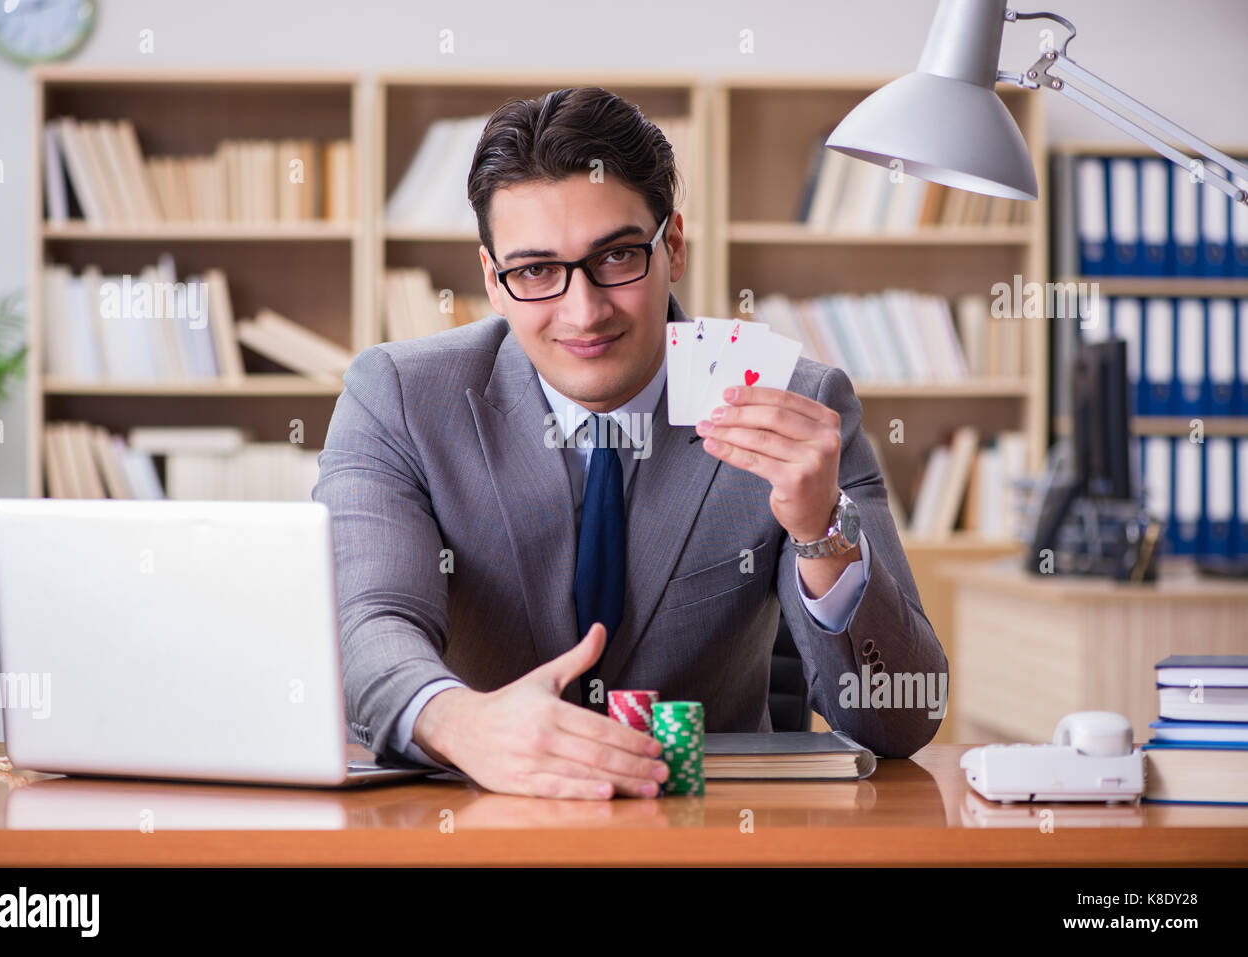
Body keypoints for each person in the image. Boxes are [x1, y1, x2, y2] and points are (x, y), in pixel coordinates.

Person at [312, 86, 947, 800]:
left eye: (616, 257)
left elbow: (902, 718)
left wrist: (822, 531)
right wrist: (463, 721)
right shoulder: (399, 399)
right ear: (493, 281)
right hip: (472, 822)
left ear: (672, 244)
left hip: (705, 830)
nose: (583, 312)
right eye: (535, 271)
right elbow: (366, 626)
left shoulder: (796, 407)